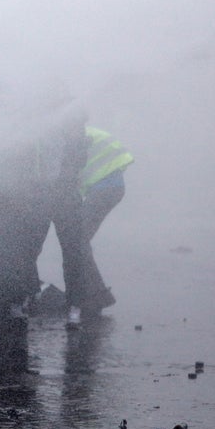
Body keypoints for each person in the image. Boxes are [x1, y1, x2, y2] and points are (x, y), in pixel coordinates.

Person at [61, 126, 131, 325]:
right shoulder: (84, 132)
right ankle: (94, 294)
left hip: (104, 188)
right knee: (80, 240)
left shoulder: (70, 136)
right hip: (110, 186)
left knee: (78, 240)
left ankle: (95, 296)